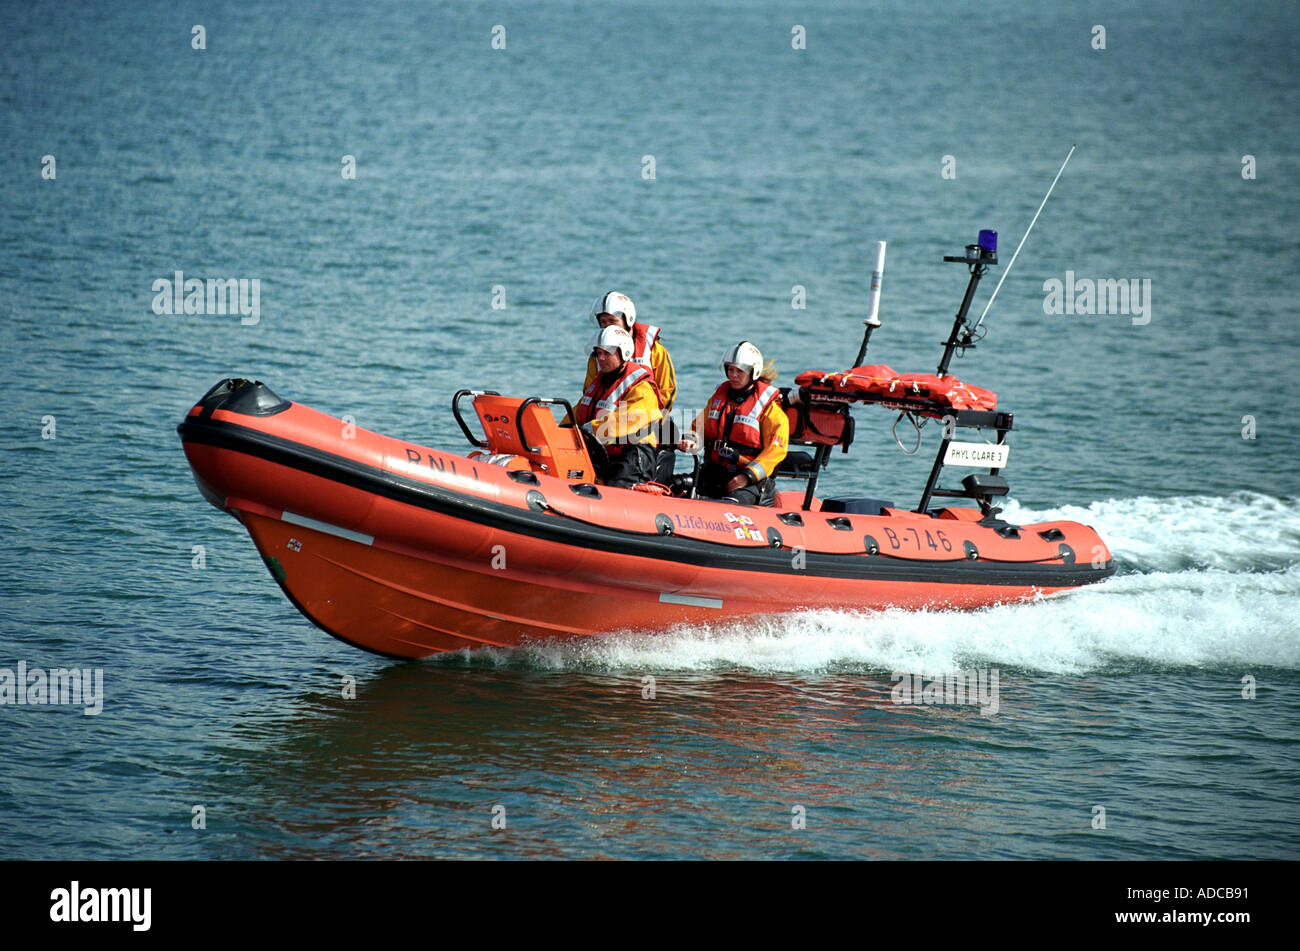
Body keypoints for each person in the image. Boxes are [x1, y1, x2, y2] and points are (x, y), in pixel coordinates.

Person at [679, 341, 788, 506]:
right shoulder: (718, 399)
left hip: (750, 482)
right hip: (714, 473)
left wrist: (747, 476)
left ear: (753, 372)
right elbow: (699, 427)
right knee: (677, 487)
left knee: (731, 503)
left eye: (739, 371)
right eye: (730, 369)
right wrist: (691, 440)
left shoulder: (770, 409)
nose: (733, 375)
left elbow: (775, 452)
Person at [572, 326, 663, 488]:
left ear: (624, 353)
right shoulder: (598, 384)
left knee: (617, 485)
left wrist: (588, 430)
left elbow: (627, 420)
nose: (601, 358)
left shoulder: (642, 388)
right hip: (603, 453)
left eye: (607, 353)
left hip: (633, 454)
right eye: (598, 353)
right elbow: (576, 414)